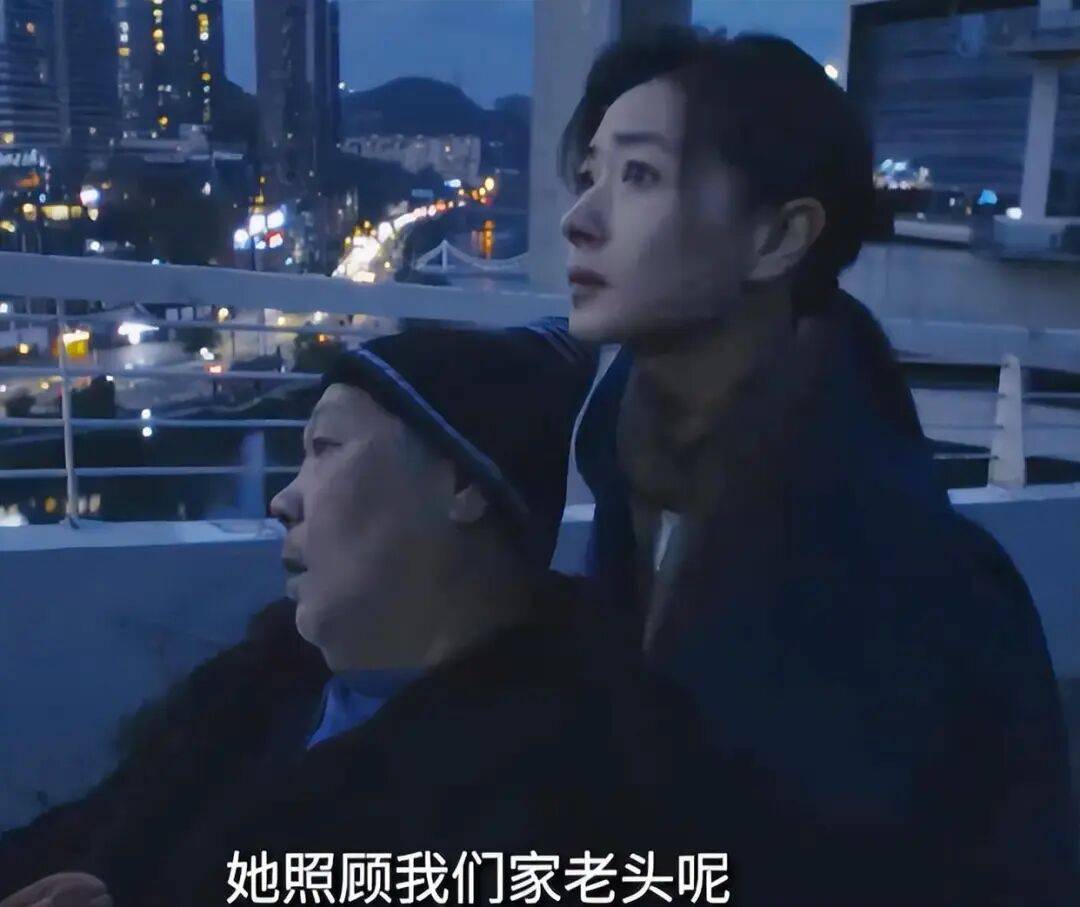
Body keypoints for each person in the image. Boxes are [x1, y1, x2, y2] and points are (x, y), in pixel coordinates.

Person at [0, 321, 781, 907]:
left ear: (462, 483)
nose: (282, 499)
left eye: (325, 448)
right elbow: (82, 831)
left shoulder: (571, 788)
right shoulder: (260, 681)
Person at [560, 27, 1078, 906]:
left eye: (639, 175)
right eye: (590, 175)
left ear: (779, 236)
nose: (580, 217)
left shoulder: (926, 590)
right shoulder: (634, 482)